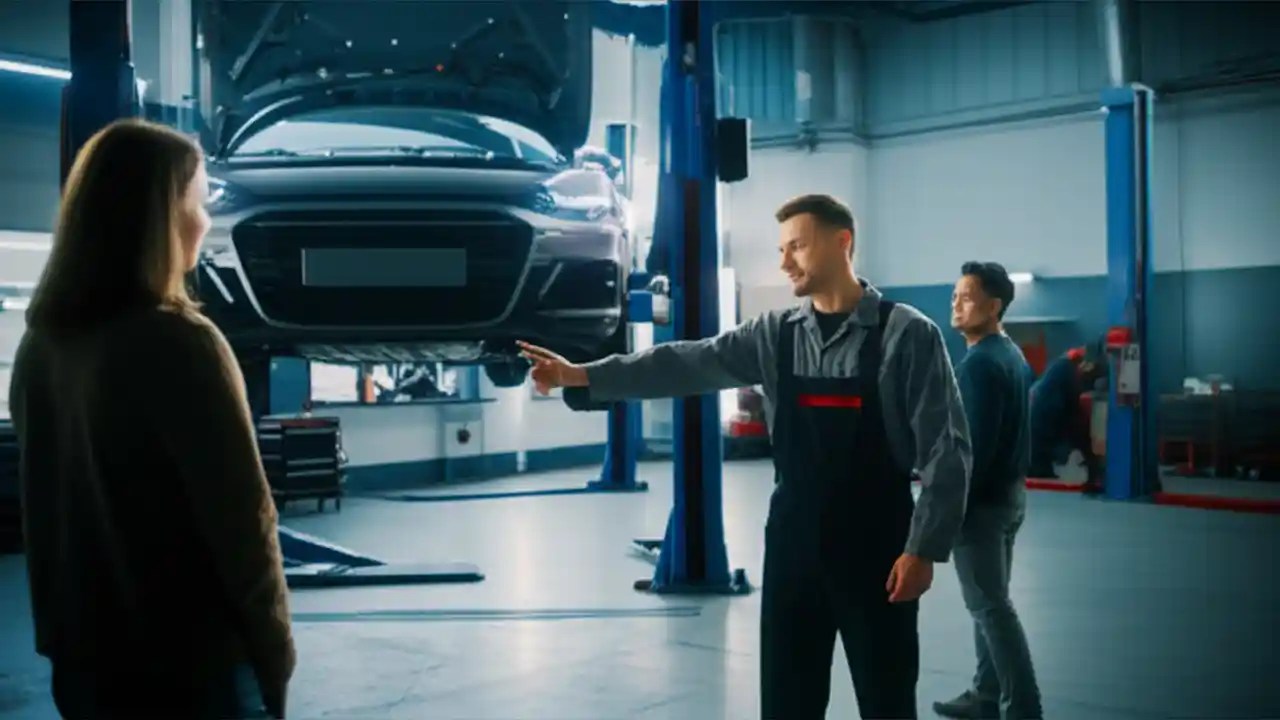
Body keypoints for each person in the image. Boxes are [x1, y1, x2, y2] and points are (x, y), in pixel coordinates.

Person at [519, 193, 973, 719]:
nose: (784, 263)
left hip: (878, 550)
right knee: (787, 698)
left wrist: (925, 549)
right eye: (782, 249)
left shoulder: (908, 334)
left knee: (886, 695)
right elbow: (685, 362)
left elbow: (947, 446)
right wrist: (586, 375)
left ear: (841, 242)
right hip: (793, 545)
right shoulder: (773, 334)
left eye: (796, 247)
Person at [8, 119, 294, 719]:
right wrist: (275, 655)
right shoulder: (181, 343)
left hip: (83, 662)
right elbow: (243, 522)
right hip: (192, 670)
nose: (206, 220)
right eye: (198, 199)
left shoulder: (42, 344)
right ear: (161, 215)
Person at [934, 262, 1042, 720]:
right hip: (1011, 497)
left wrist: (947, 509)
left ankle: (1024, 708)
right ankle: (985, 694)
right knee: (989, 603)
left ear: (994, 306)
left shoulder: (978, 365)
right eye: (955, 295)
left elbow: (969, 450)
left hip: (981, 507)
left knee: (991, 606)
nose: (956, 303)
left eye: (967, 295)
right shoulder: (1011, 354)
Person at [1029, 340, 1106, 480]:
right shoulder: (1066, 374)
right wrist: (1091, 459)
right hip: (1039, 437)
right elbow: (1074, 421)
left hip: (1034, 435)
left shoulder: (1061, 366)